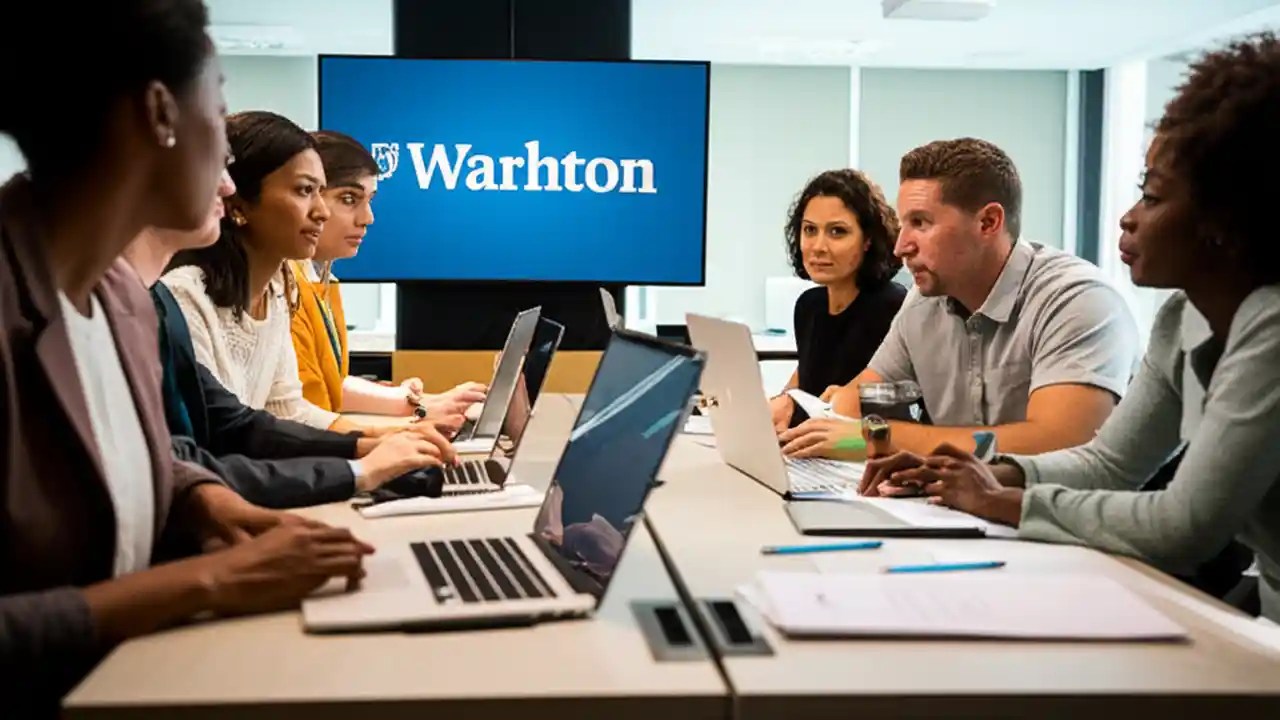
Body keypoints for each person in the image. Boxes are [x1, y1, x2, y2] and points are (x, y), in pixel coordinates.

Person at [0, 2, 371, 712]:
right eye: (220, 107)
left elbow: (133, 451)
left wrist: (205, 501)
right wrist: (208, 583)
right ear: (160, 113)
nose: (229, 173)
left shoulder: (120, 296)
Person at [864, 33, 1280, 622]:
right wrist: (977, 473)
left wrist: (1003, 500)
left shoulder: (1271, 326)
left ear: (1225, 220)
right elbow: (1107, 465)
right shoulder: (1178, 319)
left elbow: (1186, 526)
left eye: (1153, 197)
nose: (1128, 216)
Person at [780, 138, 1139, 459]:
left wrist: (881, 438)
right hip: (969, 511)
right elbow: (853, 404)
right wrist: (805, 412)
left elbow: (1058, 442)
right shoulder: (923, 304)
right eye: (904, 224)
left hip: (1071, 523)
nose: (901, 245)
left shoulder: (1076, 302)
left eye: (921, 223)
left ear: (988, 223)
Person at [124, 168, 451, 508]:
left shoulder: (280, 288)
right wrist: (364, 462)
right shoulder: (172, 298)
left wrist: (370, 447)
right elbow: (203, 450)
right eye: (306, 190)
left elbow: (237, 423)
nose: (322, 211)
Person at [162, 111, 459, 438]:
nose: (321, 211)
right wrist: (387, 441)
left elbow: (289, 409)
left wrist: (399, 435)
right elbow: (223, 439)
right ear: (237, 203)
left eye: (320, 192)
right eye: (305, 191)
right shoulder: (185, 298)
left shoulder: (274, 296)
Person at [291, 129, 485, 417]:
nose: (367, 218)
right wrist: (418, 417)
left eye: (369, 200)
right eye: (348, 199)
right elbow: (302, 409)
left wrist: (411, 401)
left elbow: (329, 385)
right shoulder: (285, 284)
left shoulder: (321, 277)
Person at [768, 168, 907, 431]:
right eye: (810, 230)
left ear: (867, 240)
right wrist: (778, 404)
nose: (818, 246)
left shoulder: (894, 307)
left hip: (862, 458)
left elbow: (890, 421)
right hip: (813, 456)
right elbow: (803, 387)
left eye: (837, 232)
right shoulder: (810, 305)